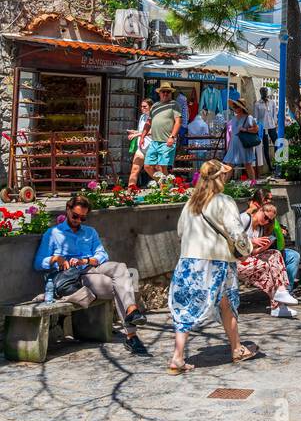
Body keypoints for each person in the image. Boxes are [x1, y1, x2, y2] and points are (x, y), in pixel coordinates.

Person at [166, 160, 258, 372]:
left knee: (185, 308)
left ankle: (178, 356)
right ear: (220, 178)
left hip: (189, 262)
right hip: (215, 262)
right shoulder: (224, 201)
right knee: (228, 303)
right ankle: (236, 349)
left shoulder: (190, 203)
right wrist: (247, 249)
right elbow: (236, 232)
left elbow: (180, 232)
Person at [34, 193, 147, 355]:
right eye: (75, 216)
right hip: (74, 278)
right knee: (120, 286)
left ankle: (131, 309)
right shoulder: (53, 234)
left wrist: (86, 260)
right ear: (67, 210)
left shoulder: (90, 232)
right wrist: (55, 259)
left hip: (89, 267)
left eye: (83, 218)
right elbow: (38, 263)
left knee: (120, 267)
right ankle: (131, 336)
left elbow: (102, 255)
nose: (78, 221)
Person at [240, 202, 297, 316]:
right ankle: (278, 305)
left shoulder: (260, 229)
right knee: (268, 267)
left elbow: (252, 252)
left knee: (275, 254)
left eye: (269, 220)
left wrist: (263, 248)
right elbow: (232, 237)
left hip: (249, 258)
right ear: (260, 210)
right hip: (236, 261)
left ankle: (281, 292)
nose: (266, 221)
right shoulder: (245, 219)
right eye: (265, 217)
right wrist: (252, 241)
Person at [245, 185, 301, 295]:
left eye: (271, 199)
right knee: (276, 258)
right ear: (259, 202)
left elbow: (273, 227)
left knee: (294, 256)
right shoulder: (249, 217)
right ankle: (281, 293)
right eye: (267, 199)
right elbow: (238, 238)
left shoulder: (269, 217)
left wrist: (281, 229)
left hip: (273, 250)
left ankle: (286, 291)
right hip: (258, 253)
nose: (270, 201)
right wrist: (255, 242)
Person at [144, 82, 181, 181]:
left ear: (171, 93)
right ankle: (163, 184)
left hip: (167, 140)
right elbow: (148, 122)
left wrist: (172, 137)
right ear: (159, 93)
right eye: (163, 91)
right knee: (147, 166)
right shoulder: (155, 105)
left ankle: (165, 188)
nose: (165, 93)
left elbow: (178, 122)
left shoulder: (174, 104)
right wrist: (142, 136)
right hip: (154, 141)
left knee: (162, 166)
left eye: (168, 92)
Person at [224, 97, 258, 182]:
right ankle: (223, 186)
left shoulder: (249, 117)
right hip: (234, 144)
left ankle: (253, 183)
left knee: (247, 165)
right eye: (234, 107)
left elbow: (256, 129)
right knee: (229, 165)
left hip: (243, 144)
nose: (235, 108)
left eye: (237, 107)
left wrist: (246, 129)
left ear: (241, 108)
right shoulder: (234, 118)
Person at [127, 98, 151, 189]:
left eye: (145, 106)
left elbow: (151, 131)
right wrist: (135, 132)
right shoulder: (142, 117)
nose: (142, 108)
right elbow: (142, 131)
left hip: (151, 146)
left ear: (150, 107)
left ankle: (166, 186)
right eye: (141, 106)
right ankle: (130, 191)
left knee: (154, 170)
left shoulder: (153, 117)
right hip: (141, 147)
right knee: (134, 169)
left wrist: (137, 134)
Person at [256, 86, 278, 172]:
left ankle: (277, 164)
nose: (264, 93)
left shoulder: (272, 102)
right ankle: (269, 166)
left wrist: (275, 123)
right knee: (266, 147)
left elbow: (274, 114)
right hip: (263, 127)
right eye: (262, 92)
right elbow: (256, 117)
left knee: (277, 143)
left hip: (272, 126)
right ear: (260, 93)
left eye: (265, 91)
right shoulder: (257, 104)